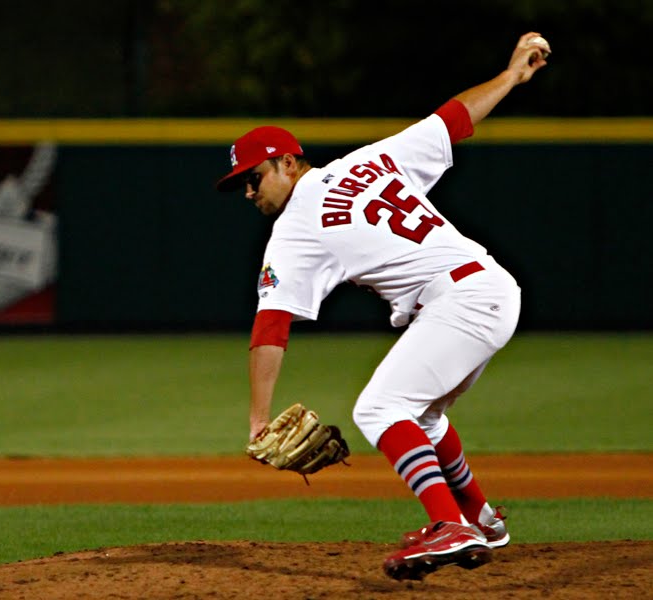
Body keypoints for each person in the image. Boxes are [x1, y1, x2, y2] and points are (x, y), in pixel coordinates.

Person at [216, 33, 551, 581]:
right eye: (241, 188)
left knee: (379, 407)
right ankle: (480, 518)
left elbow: (272, 325)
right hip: (492, 287)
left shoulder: (295, 227)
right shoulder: (371, 160)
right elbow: (454, 120)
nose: (249, 194)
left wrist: (257, 419)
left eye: (252, 179)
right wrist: (512, 76)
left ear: (285, 163)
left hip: (461, 300)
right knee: (425, 415)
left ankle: (449, 523)